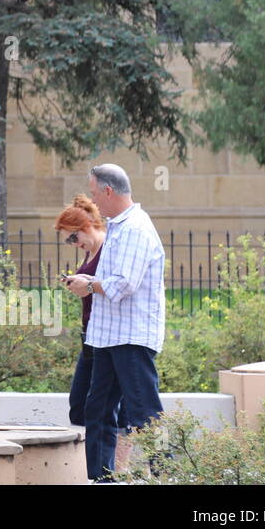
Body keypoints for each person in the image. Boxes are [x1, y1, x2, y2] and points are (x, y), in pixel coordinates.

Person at [62, 163, 165, 482]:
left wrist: (89, 286)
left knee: (144, 413)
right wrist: (89, 279)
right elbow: (113, 279)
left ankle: (167, 473)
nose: (93, 200)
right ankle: (101, 479)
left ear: (108, 191)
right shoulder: (118, 226)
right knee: (98, 410)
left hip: (131, 338)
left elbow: (124, 285)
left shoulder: (135, 227)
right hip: (107, 337)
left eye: (94, 193)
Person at [55, 195, 128, 436]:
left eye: (74, 237)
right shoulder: (91, 251)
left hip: (108, 335)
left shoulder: (108, 249)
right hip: (90, 335)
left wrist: (87, 284)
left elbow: (118, 286)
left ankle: (116, 462)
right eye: (69, 241)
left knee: (111, 407)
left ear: (87, 227)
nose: (74, 244)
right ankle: (97, 459)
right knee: (80, 406)